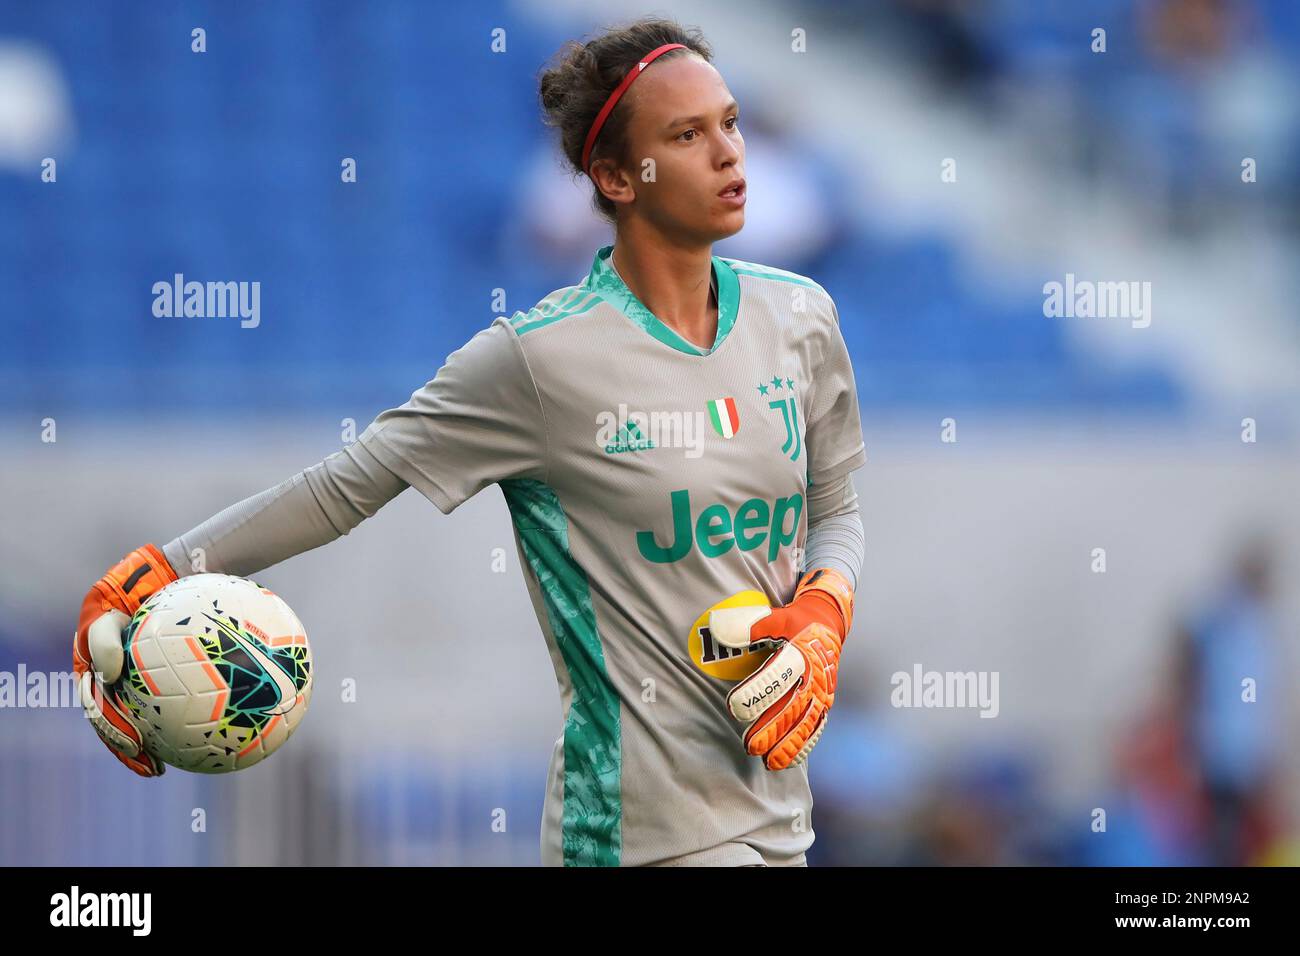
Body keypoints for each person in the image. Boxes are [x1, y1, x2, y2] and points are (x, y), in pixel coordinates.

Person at [72, 17, 867, 868]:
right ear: (613, 177)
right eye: (686, 134)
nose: (729, 154)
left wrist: (824, 610)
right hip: (643, 838)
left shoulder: (800, 317)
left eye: (731, 122)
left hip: (782, 823)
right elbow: (349, 484)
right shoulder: (538, 360)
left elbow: (838, 510)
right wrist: (163, 568)